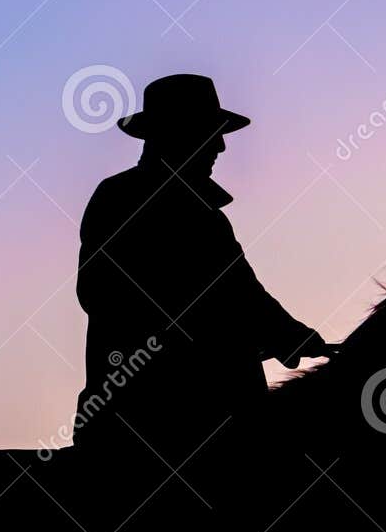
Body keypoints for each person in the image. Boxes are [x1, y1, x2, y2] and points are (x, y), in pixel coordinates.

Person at [72, 73, 328, 470]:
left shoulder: (206, 216)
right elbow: (102, 292)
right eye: (212, 132)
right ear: (180, 134)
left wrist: (294, 335)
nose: (222, 146)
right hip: (159, 415)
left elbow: (245, 293)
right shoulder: (121, 198)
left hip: (211, 410)